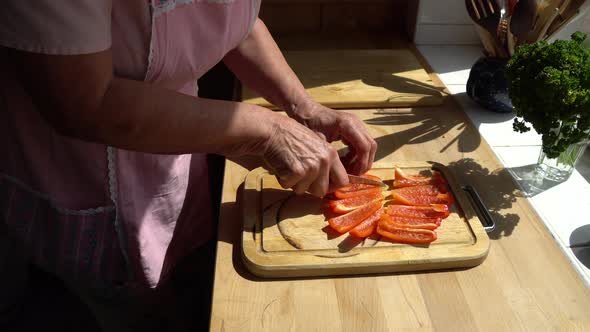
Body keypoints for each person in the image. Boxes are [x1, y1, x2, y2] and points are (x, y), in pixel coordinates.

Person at [0, 1, 377, 330]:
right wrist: (266, 130)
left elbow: (236, 26)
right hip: (79, 173)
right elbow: (84, 103)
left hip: (174, 144)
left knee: (178, 288)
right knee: (115, 312)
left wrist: (304, 108)